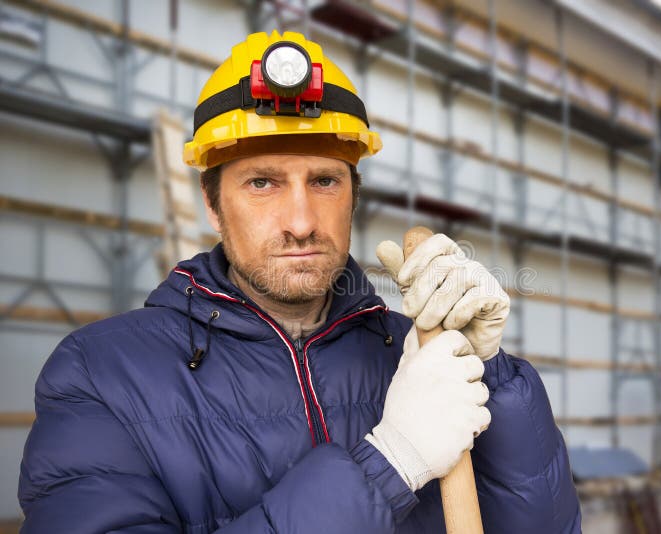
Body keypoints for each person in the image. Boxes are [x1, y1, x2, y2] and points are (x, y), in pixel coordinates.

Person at [18, 31, 581, 533]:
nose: (302, 221)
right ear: (213, 206)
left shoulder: (420, 351)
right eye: (262, 182)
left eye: (325, 180)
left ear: (354, 196)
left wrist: (492, 373)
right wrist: (392, 462)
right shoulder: (98, 373)